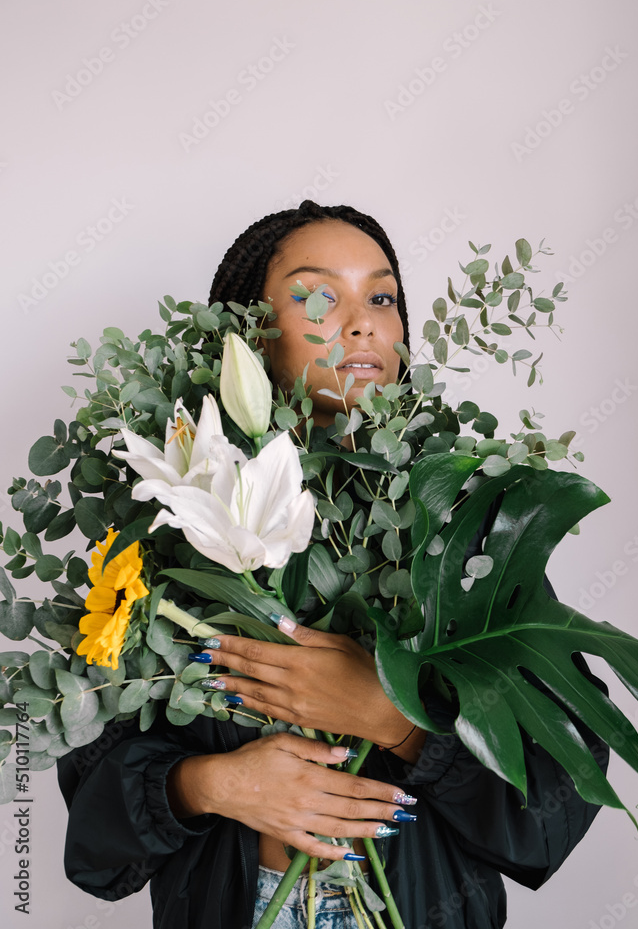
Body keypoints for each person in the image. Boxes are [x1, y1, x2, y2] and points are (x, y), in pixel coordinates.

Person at [58, 200, 609, 929]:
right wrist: (210, 784)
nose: (361, 322)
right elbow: (95, 843)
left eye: (381, 297)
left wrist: (399, 722)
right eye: (318, 294)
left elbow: (553, 810)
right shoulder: (173, 532)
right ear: (246, 332)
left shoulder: (468, 535)